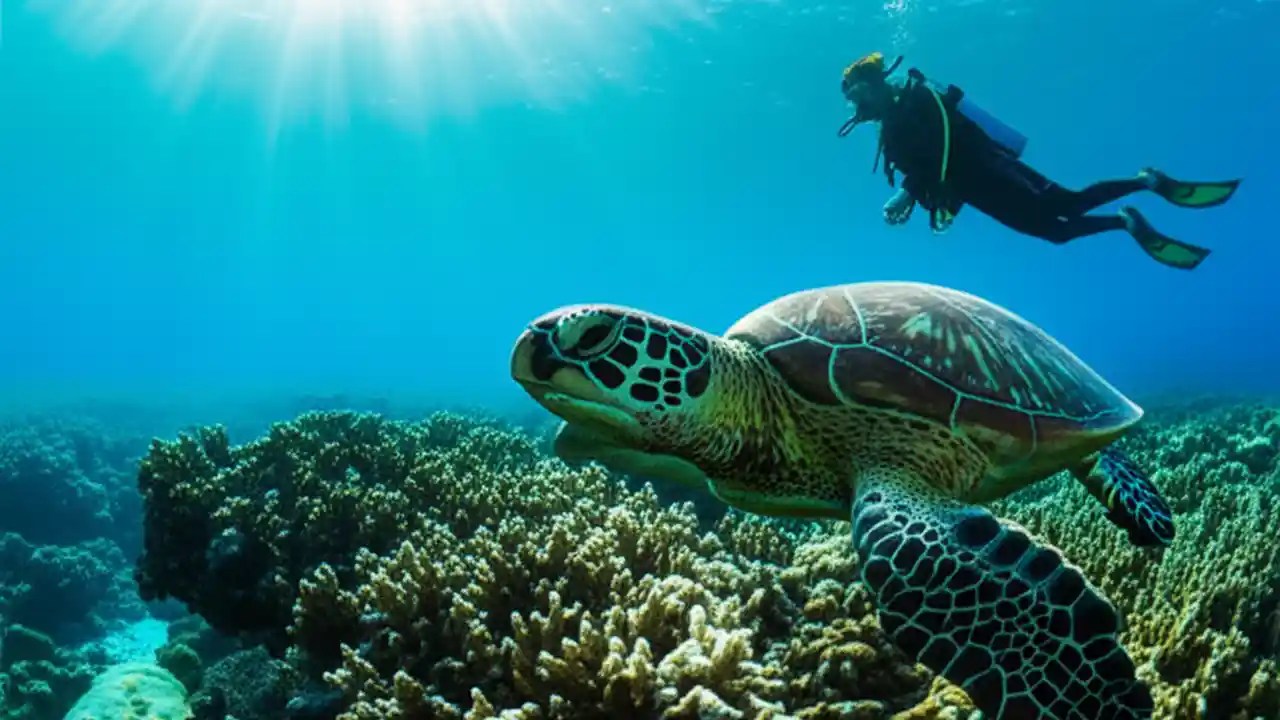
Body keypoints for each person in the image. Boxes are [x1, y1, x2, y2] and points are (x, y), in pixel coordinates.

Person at [837, 52, 1242, 270]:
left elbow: (944, 143)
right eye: (850, 99)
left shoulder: (918, 98)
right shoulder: (888, 132)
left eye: (857, 94)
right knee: (1054, 233)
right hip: (976, 191)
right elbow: (926, 170)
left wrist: (908, 193)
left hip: (991, 167)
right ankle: (1126, 222)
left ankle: (1147, 181)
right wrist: (919, 199)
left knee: (1065, 204)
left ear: (875, 85)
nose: (855, 105)